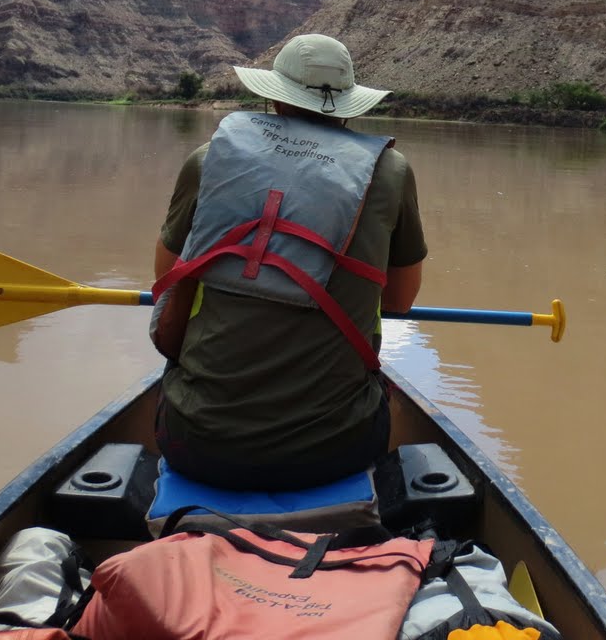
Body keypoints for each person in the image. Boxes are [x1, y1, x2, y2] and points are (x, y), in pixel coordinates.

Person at [151, 33, 426, 491]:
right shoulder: (392, 172)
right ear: (348, 105)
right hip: (337, 450)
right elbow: (399, 301)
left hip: (195, 444)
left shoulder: (207, 160)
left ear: (273, 97)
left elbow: (167, 279)